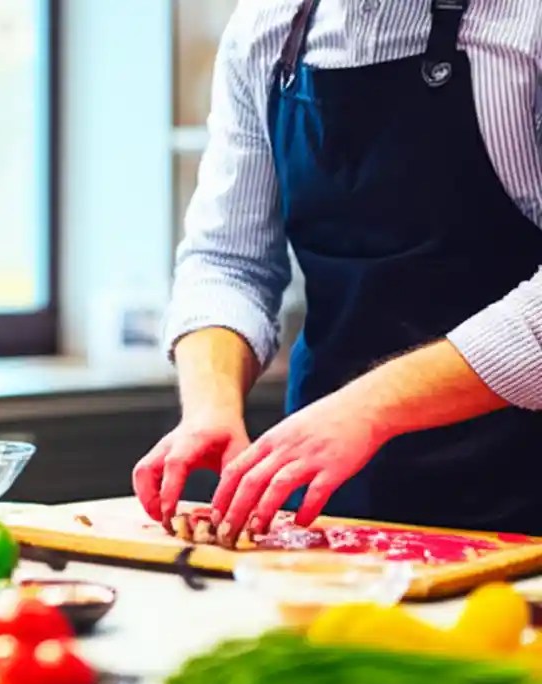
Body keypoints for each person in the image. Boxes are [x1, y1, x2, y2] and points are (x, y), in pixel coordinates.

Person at [133, 0, 542, 545]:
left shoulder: (525, 25)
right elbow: (227, 261)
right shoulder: (265, 29)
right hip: (330, 504)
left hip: (521, 496)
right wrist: (210, 407)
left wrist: (370, 408)